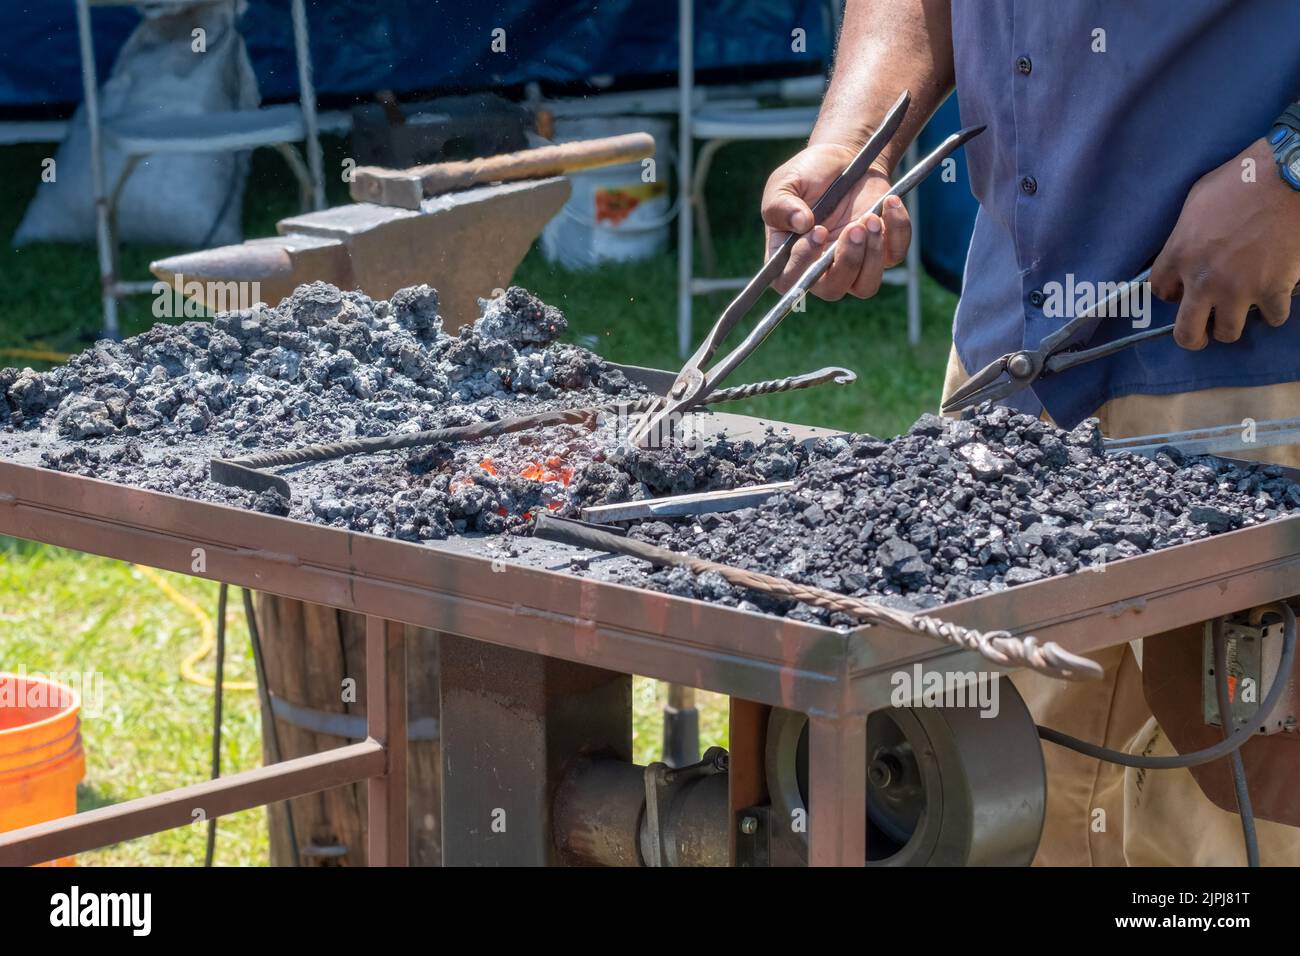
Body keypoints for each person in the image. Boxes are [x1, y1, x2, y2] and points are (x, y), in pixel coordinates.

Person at [759, 0, 1300, 865]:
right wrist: (854, 141)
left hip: (1254, 359)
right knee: (996, 800)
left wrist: (1290, 174)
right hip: (1012, 362)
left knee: (1240, 824)